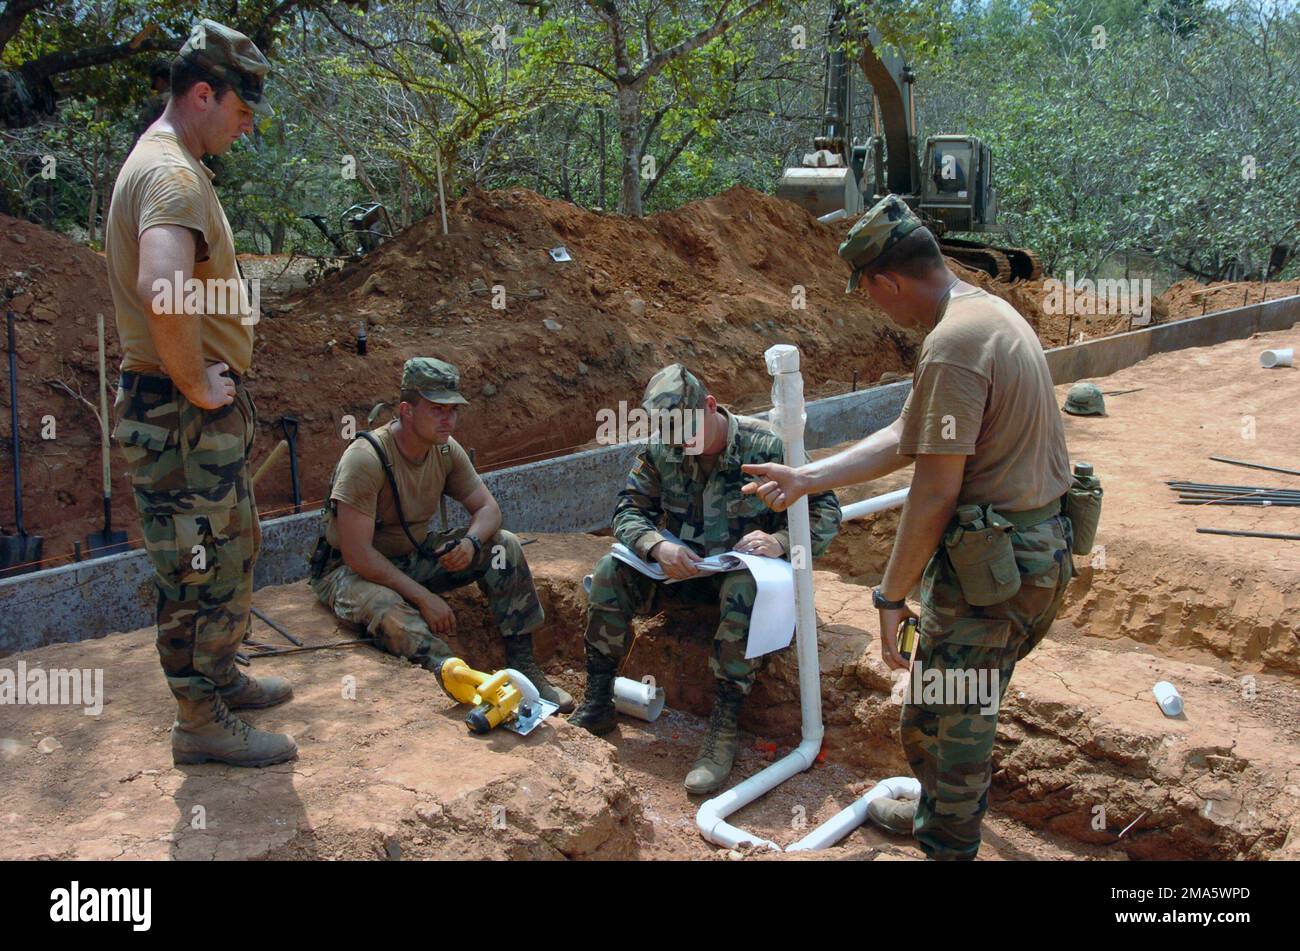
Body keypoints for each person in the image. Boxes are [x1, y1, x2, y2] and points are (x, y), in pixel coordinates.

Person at [741, 194, 1074, 859]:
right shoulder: (981, 314)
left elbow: (934, 490)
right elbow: (908, 433)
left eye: (869, 293)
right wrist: (809, 477)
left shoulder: (953, 345)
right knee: (936, 713)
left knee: (954, 725)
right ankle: (937, 814)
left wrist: (890, 596)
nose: (875, 306)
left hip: (996, 575)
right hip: (1025, 557)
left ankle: (947, 843)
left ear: (886, 282)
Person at [105, 20, 294, 767]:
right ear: (204, 94)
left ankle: (217, 679)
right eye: (241, 114)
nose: (245, 130)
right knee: (194, 567)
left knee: (230, 550)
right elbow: (162, 287)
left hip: (190, 416)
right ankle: (199, 720)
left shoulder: (174, 165)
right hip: (178, 411)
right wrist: (191, 379)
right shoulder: (172, 175)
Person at [568, 364, 841, 793]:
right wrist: (657, 546)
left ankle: (724, 727)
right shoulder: (663, 449)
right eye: (671, 433)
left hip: (746, 576)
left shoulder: (768, 445)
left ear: (710, 406)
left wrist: (781, 541)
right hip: (683, 572)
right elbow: (627, 509)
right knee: (610, 571)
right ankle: (598, 698)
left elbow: (825, 510)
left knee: (744, 589)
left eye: (686, 429)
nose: (681, 443)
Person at [309, 358, 572, 712]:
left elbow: (488, 509)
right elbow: (357, 553)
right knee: (387, 606)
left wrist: (471, 542)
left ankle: (523, 665)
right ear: (406, 410)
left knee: (503, 546)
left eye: (453, 410)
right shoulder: (365, 459)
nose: (448, 419)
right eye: (437, 409)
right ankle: (459, 678)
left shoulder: (445, 449)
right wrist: (422, 597)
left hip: (410, 556)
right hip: (348, 572)